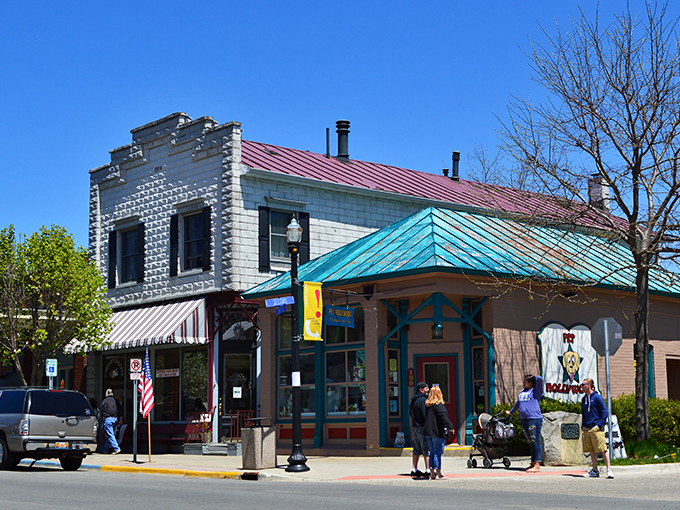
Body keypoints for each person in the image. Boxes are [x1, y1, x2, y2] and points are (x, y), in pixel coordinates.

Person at [507, 373, 544, 472]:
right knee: (530, 441)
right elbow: (518, 403)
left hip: (534, 418)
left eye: (526, 382)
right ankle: (532, 463)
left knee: (535, 440)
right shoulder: (523, 391)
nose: (524, 383)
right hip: (524, 419)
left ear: (531, 383)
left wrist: (534, 376)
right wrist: (511, 412)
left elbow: (539, 379)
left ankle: (537, 464)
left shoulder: (536, 391)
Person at [581, 378, 613, 479]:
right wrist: (583, 425)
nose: (581, 387)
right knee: (591, 450)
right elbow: (584, 413)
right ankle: (595, 470)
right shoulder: (584, 399)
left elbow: (604, 412)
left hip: (596, 428)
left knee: (602, 449)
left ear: (589, 385)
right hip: (587, 428)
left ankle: (609, 470)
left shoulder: (597, 398)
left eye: (583, 385)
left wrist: (599, 425)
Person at [424, 384, 453, 480]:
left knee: (432, 452)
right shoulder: (439, 405)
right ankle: (438, 473)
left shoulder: (428, 406)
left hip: (428, 432)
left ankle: (431, 473)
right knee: (437, 452)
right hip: (437, 432)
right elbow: (443, 417)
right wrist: (450, 426)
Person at [409, 381, 430, 477]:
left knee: (416, 449)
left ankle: (414, 469)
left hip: (414, 427)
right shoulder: (422, 400)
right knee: (426, 448)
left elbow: (410, 412)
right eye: (426, 388)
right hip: (422, 427)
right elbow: (424, 413)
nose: (428, 390)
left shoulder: (413, 400)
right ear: (421, 390)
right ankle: (428, 470)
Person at [101, 388, 122, 454]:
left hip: (108, 419)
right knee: (109, 434)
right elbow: (120, 410)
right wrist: (120, 419)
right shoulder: (116, 400)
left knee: (110, 434)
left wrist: (103, 417)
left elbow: (103, 409)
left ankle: (116, 448)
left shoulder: (105, 401)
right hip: (115, 419)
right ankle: (105, 449)